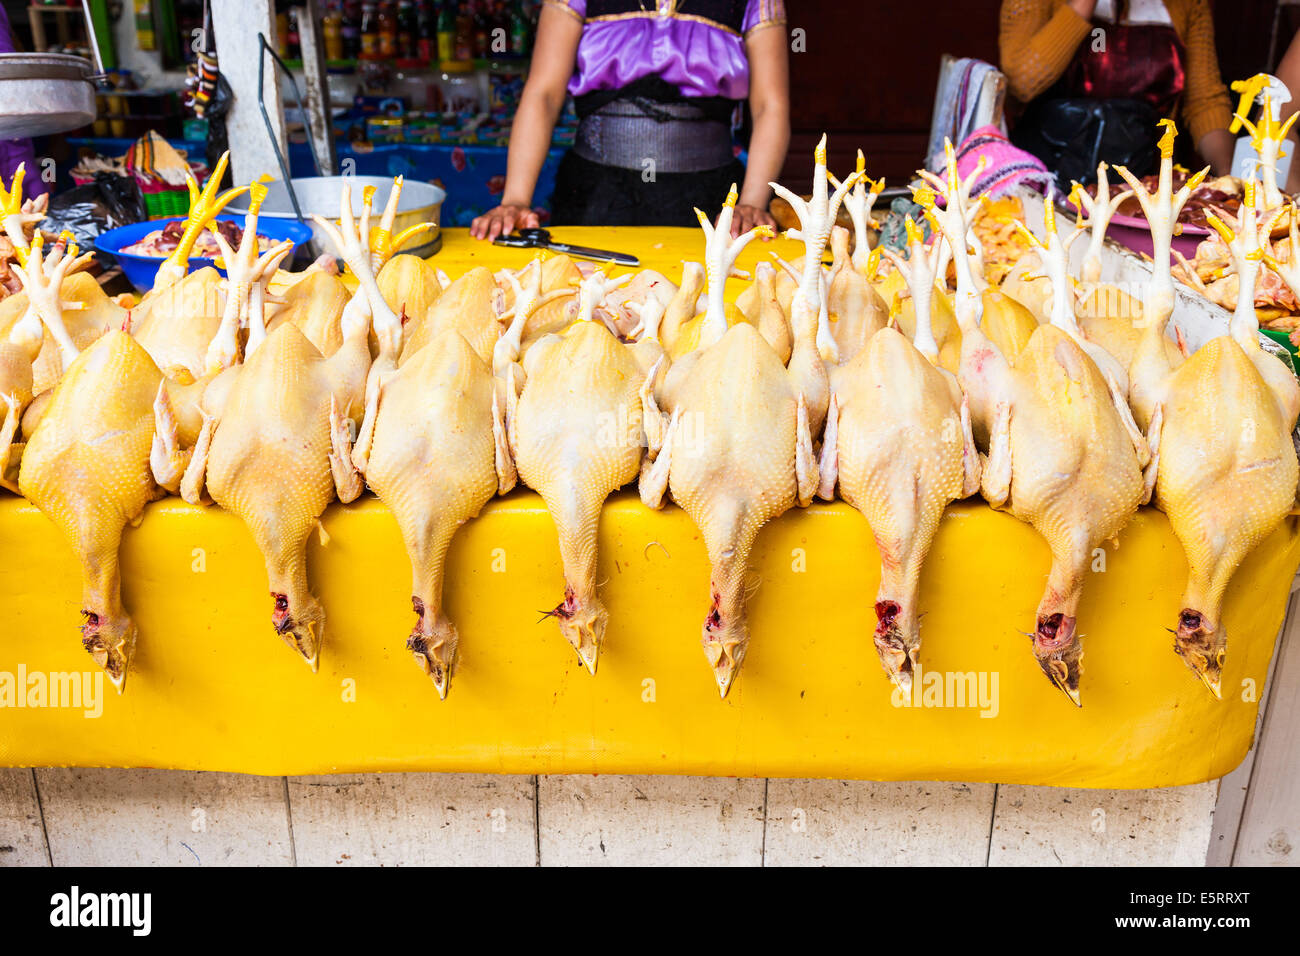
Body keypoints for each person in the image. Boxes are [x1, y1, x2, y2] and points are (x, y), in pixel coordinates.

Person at [469, 0, 790, 240]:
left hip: (713, 201)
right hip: (597, 195)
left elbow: (770, 105)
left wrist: (750, 202)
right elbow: (544, 94)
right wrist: (514, 199)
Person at [999, 0, 1235, 186]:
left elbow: (1205, 101)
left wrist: (1229, 175)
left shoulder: (1187, 5)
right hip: (1043, 176)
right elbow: (1021, 83)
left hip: (1134, 184)